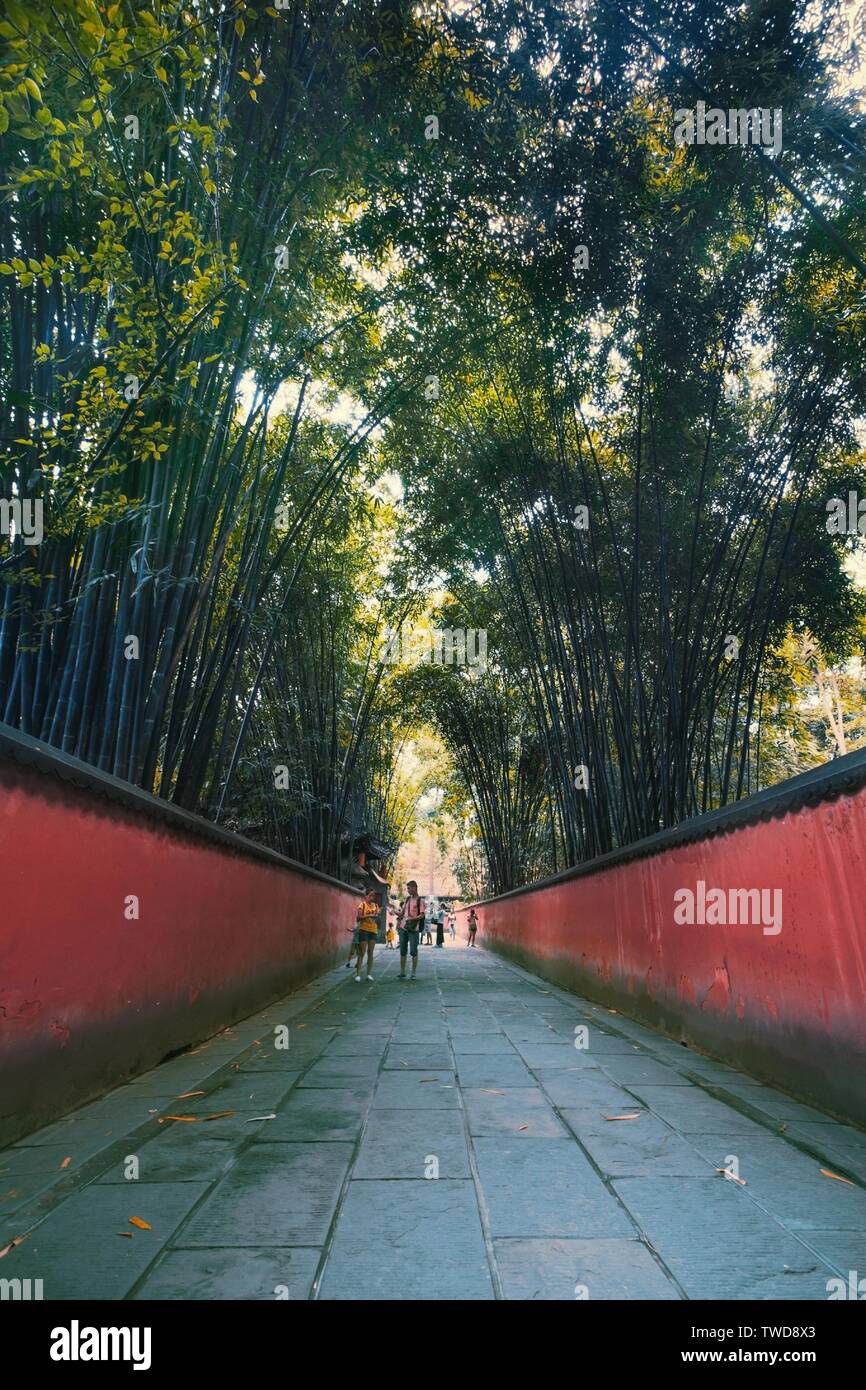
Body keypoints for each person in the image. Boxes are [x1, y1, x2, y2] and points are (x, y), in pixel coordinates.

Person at [396, 880, 426, 980]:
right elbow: (402, 914)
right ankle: (402, 972)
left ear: (415, 888)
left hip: (414, 929)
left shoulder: (420, 901)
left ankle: (413, 973)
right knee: (402, 951)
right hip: (404, 928)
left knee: (413, 951)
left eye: (409, 888)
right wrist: (394, 912)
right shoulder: (407, 900)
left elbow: (422, 915)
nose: (408, 890)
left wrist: (412, 919)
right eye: (407, 888)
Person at [354, 889, 381, 982]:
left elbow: (377, 917)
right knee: (362, 952)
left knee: (370, 953)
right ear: (365, 896)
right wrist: (369, 916)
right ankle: (358, 974)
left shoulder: (376, 906)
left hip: (373, 930)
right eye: (370, 896)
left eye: (373, 896)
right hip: (364, 930)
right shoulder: (362, 905)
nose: (372, 898)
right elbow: (358, 918)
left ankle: (368, 974)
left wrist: (376, 916)